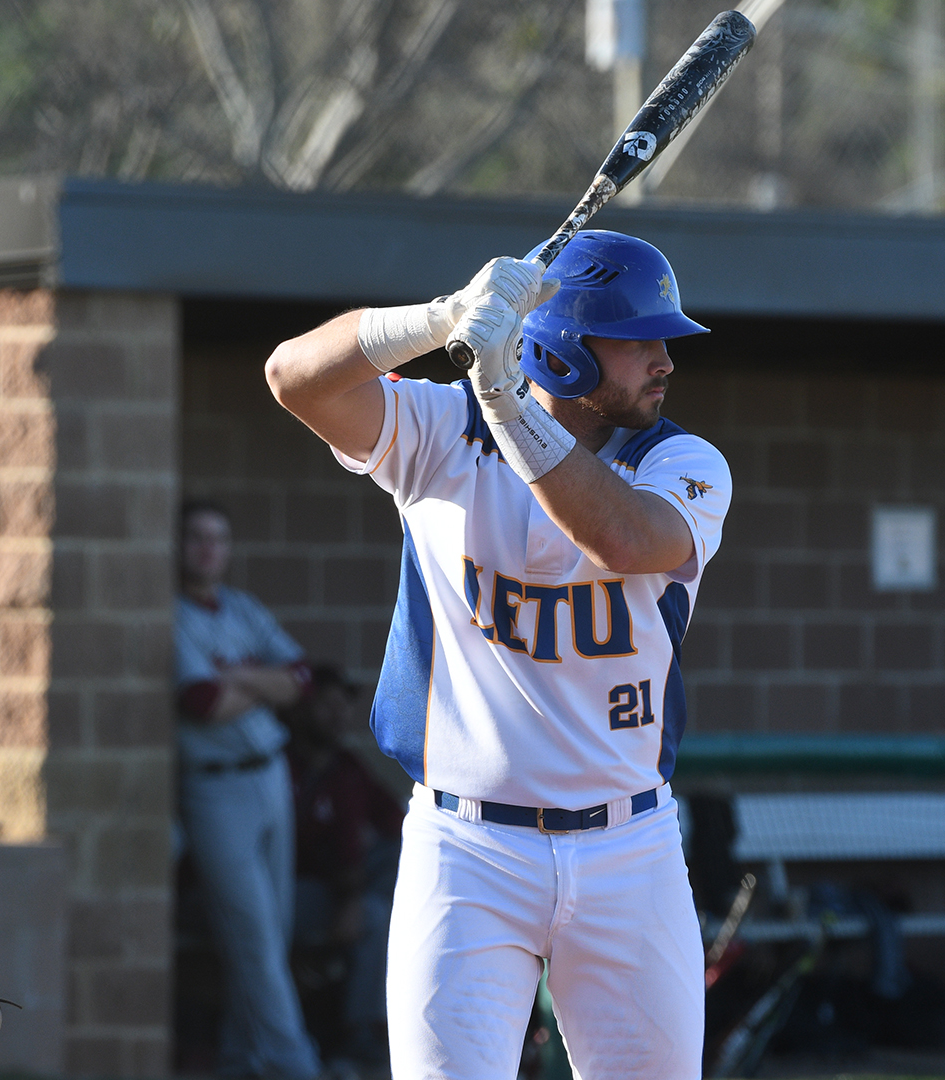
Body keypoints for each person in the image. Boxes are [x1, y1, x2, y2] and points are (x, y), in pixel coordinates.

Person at [265, 230, 731, 1080]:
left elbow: (627, 538)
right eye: (636, 340)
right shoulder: (444, 427)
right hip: (466, 849)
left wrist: (509, 401)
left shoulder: (681, 460)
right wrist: (441, 318)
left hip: (630, 848)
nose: (663, 360)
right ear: (563, 349)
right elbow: (292, 377)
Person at [174, 500, 323, 1080]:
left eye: (218, 538)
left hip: (269, 775)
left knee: (272, 933)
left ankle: (243, 1058)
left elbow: (304, 679)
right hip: (216, 787)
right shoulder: (170, 613)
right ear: (178, 545)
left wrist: (236, 676)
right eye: (196, 536)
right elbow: (203, 702)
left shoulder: (242, 608)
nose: (207, 548)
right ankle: (296, 1065)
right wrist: (267, 682)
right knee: (255, 940)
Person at [283, 665, 404, 1068]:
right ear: (302, 709)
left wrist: (355, 893)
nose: (338, 715)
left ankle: (338, 975)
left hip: (340, 891)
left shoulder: (347, 767)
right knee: (372, 917)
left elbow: (395, 821)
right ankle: (360, 1031)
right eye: (327, 704)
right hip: (288, 892)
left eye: (344, 705)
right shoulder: (278, 764)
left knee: (405, 854)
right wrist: (351, 900)